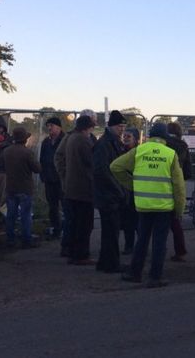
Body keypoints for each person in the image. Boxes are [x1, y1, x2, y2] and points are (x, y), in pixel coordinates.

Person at [111, 123, 185, 288]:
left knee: (142, 240)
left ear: (150, 136)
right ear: (165, 137)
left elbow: (115, 167)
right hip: (164, 207)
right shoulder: (170, 154)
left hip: (143, 205)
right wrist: (179, 209)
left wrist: (132, 185)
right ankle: (155, 277)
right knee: (159, 243)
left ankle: (134, 273)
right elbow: (179, 186)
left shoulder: (139, 151)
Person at [54, 110, 97, 257]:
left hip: (74, 186)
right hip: (80, 187)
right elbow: (91, 162)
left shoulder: (75, 138)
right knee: (80, 222)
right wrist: (65, 176)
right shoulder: (80, 139)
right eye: (92, 123)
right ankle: (76, 252)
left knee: (76, 221)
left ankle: (72, 250)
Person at [92, 110, 127, 273]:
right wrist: (118, 189)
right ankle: (110, 264)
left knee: (110, 231)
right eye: (120, 126)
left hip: (110, 194)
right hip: (108, 195)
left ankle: (106, 262)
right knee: (111, 231)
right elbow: (102, 171)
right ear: (112, 126)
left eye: (123, 126)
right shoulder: (105, 144)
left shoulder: (111, 142)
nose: (122, 129)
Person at [1, 127, 41, 248]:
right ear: (24, 140)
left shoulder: (6, 151)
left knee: (11, 215)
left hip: (10, 187)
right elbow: (37, 169)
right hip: (24, 188)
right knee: (25, 215)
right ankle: (26, 239)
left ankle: (10, 239)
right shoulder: (27, 152)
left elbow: (2, 166)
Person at [165, 122, 190, 260]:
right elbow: (188, 171)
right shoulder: (183, 146)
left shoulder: (164, 145)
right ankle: (180, 251)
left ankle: (157, 250)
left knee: (158, 222)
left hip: (162, 185)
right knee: (176, 221)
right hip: (177, 183)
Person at [39, 117, 64, 240]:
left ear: (59, 127)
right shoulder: (46, 142)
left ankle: (68, 230)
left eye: (52, 125)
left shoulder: (65, 140)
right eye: (48, 126)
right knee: (52, 207)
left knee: (66, 205)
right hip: (49, 179)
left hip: (62, 179)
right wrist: (43, 175)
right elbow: (42, 160)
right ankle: (56, 229)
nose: (49, 128)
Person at [120, 127, 140, 254]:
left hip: (136, 189)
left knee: (138, 221)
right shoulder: (120, 150)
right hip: (124, 189)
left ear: (136, 139)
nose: (126, 138)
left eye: (129, 136)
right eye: (125, 136)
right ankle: (129, 246)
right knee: (127, 221)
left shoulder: (139, 153)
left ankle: (140, 245)